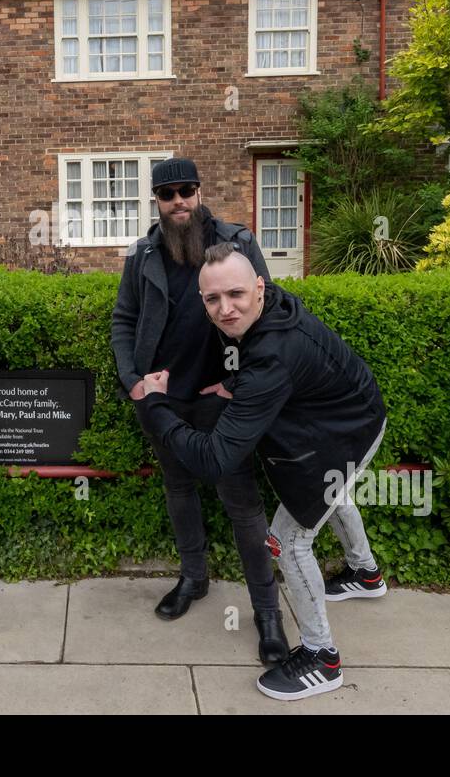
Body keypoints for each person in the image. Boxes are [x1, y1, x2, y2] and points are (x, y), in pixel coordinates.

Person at [141, 243, 389, 701]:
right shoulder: (274, 308)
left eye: (235, 294)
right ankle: (366, 573)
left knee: (288, 541)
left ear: (259, 286)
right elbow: (274, 364)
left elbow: (215, 458)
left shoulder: (273, 354)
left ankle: (322, 657)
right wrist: (237, 383)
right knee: (336, 495)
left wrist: (155, 405)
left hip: (346, 432)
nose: (225, 309)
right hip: (355, 413)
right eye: (212, 299)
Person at [111, 156, 289, 666]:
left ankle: (267, 611)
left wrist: (240, 382)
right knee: (179, 488)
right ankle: (194, 577)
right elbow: (124, 318)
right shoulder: (143, 252)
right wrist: (135, 383)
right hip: (162, 400)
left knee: (242, 503)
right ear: (157, 201)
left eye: (187, 190)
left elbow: (267, 310)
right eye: (168, 194)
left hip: (222, 400)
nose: (179, 201)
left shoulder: (235, 242)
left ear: (199, 190)